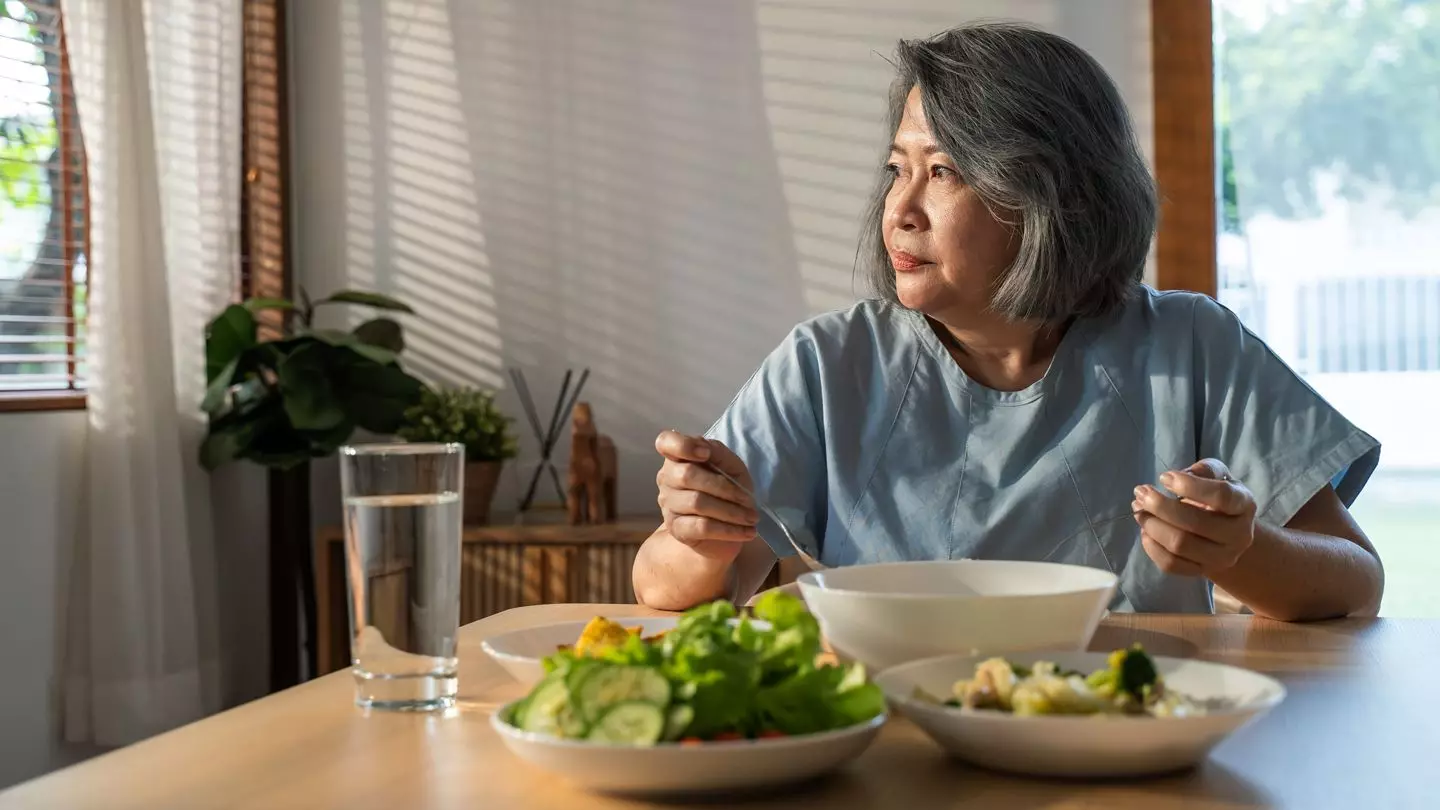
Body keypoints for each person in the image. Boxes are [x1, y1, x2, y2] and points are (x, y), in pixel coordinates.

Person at [632, 22, 1383, 620]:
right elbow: (661, 590)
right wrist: (700, 538)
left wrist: (1240, 552)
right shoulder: (827, 362)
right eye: (899, 168)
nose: (900, 209)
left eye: (945, 172)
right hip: (898, 737)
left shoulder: (1193, 345)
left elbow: (1356, 582)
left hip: (1124, 730)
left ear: (1049, 196)